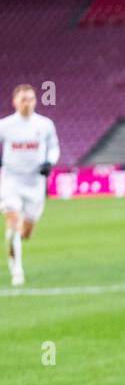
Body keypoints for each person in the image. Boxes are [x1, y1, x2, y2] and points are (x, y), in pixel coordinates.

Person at [0, 84, 59, 287]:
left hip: (35, 184)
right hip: (11, 182)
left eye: (31, 99)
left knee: (26, 232)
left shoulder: (45, 125)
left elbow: (54, 147)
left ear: (36, 101)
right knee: (13, 223)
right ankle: (17, 271)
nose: (27, 103)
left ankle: (17, 237)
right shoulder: (5, 125)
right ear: (15, 102)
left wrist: (49, 162)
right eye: (23, 99)